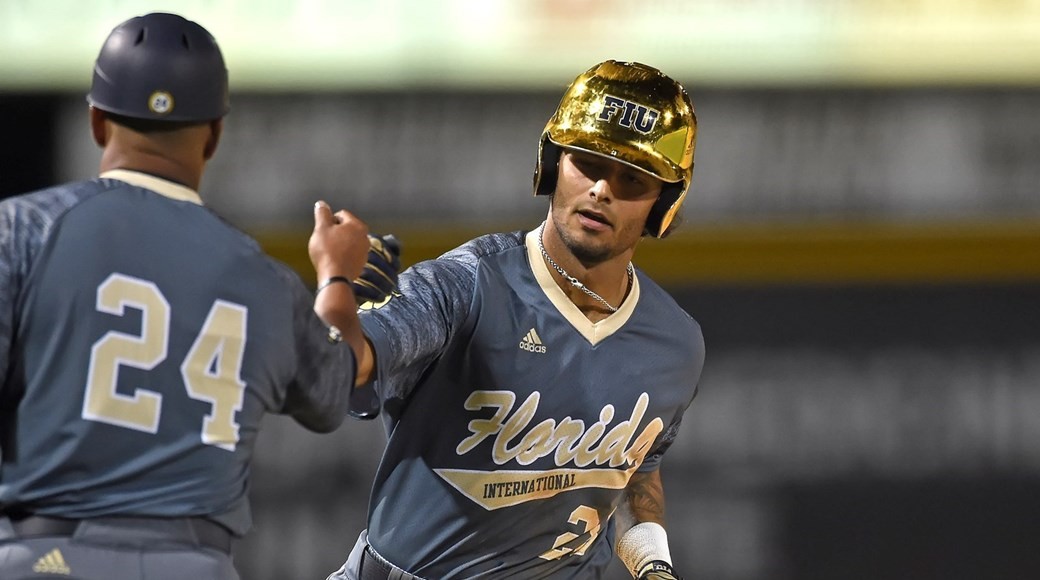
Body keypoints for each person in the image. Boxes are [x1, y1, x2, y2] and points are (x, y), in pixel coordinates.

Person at [0, 12, 383, 580]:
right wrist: (336, 277)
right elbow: (333, 387)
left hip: (49, 556)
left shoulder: (24, 230)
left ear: (98, 121)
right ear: (214, 133)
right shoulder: (264, 279)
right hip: (194, 564)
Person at [328, 60, 705, 579]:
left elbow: (634, 471)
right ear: (554, 164)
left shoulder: (675, 343)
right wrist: (338, 302)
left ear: (663, 202)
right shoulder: (466, 284)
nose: (600, 189)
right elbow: (348, 363)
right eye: (588, 163)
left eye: (632, 178)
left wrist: (653, 565)